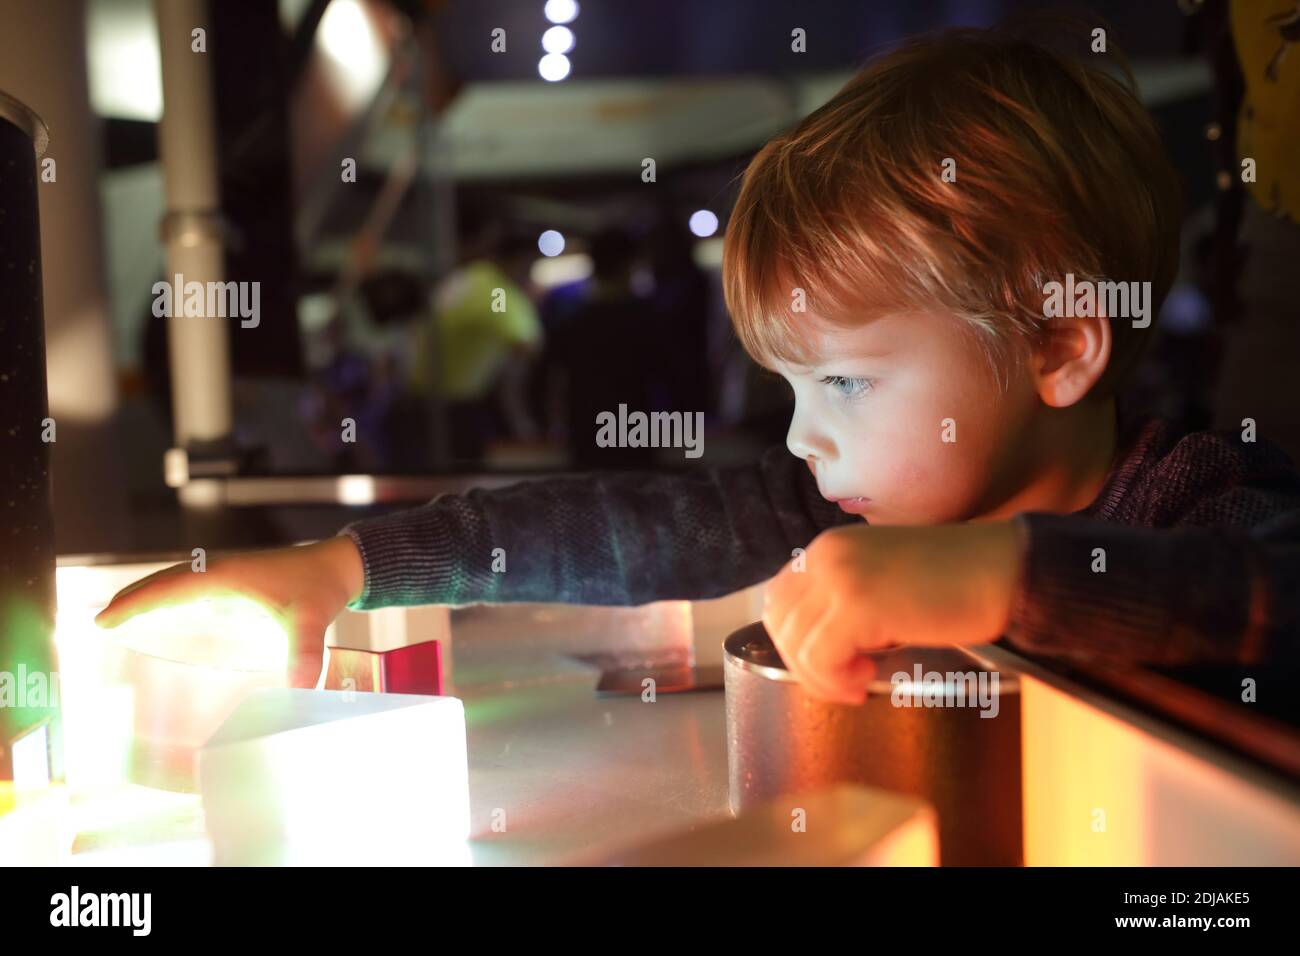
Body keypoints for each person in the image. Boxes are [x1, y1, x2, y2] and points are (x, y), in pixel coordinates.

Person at [99, 22, 1300, 703]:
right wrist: (346, 566)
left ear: (1057, 346)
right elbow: (614, 529)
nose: (801, 437)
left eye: (845, 381)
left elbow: (1268, 599)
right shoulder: (822, 510)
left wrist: (1002, 577)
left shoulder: (1195, 501)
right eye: (792, 386)